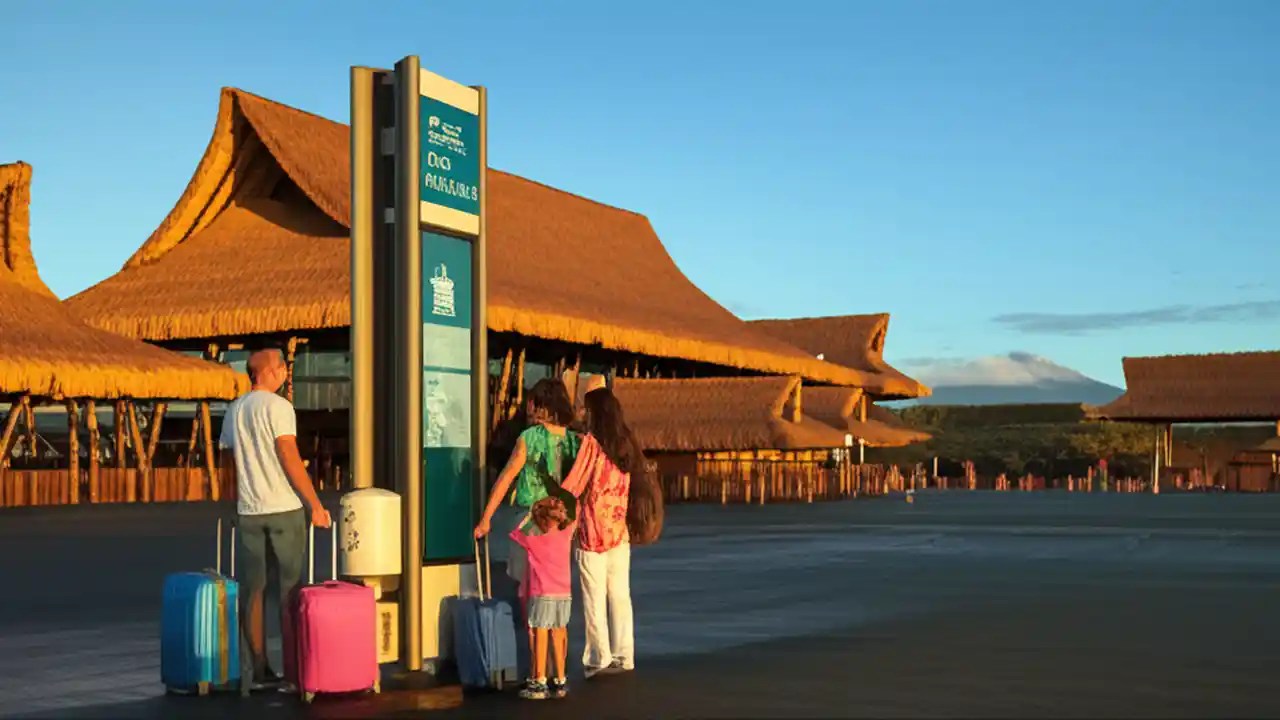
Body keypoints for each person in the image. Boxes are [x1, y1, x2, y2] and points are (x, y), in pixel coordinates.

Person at [218, 348, 331, 692]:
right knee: (290, 591)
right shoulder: (279, 408)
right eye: (282, 367)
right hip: (283, 509)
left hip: (249, 512)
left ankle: (258, 670)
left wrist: (230, 506)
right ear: (269, 371)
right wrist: (314, 503)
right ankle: (295, 671)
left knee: (252, 591)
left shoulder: (235, 410)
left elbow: (227, 463)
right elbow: (288, 454)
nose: (285, 372)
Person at [474, 378, 580, 679]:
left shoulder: (530, 437)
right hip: (561, 529)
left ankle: (536, 675)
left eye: (533, 402)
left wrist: (486, 518)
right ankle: (557, 674)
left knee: (531, 600)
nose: (530, 408)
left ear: (544, 405)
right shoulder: (575, 442)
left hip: (530, 524)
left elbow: (507, 477)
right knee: (556, 599)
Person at [577, 379, 643, 678]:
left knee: (594, 599)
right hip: (619, 532)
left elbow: (575, 484)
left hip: (592, 532)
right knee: (620, 595)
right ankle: (624, 654)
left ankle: (598, 657)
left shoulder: (591, 444)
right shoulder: (625, 444)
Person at [508, 497, 576, 699]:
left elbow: (515, 533)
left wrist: (529, 514)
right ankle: (560, 680)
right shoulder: (566, 535)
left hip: (542, 593)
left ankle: (539, 681)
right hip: (564, 593)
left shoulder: (533, 540)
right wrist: (563, 509)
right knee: (559, 632)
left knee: (540, 634)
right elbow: (575, 516)